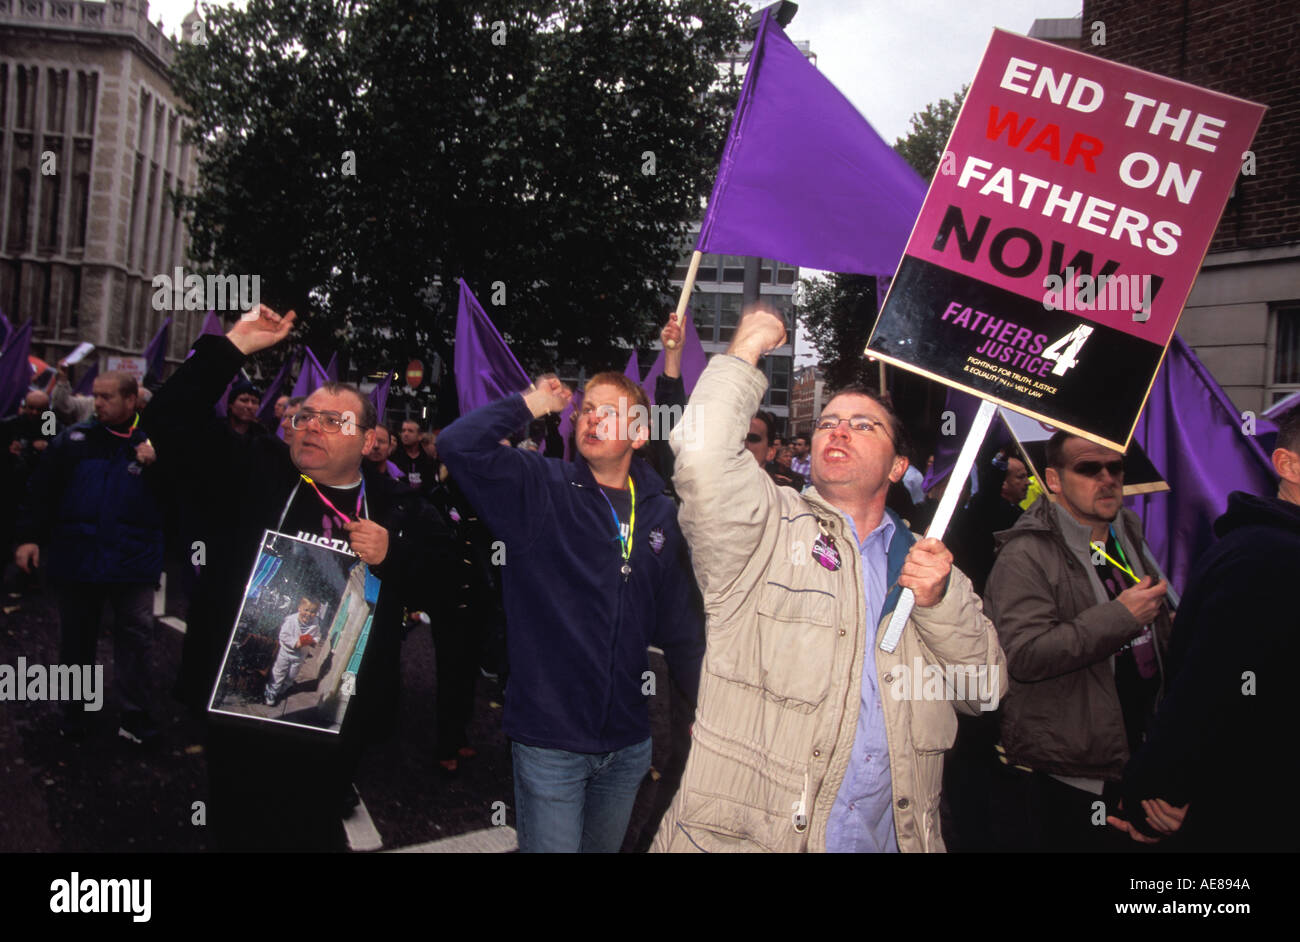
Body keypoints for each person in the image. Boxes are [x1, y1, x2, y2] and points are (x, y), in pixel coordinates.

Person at [653, 309, 1004, 853]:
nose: (839, 429)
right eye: (827, 422)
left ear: (897, 466)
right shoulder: (765, 528)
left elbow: (983, 693)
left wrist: (936, 605)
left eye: (865, 425)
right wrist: (746, 349)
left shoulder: (931, 567)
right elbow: (700, 457)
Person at [141, 305, 454, 850]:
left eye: (334, 421)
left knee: (310, 830)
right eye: (305, 416)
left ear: (368, 440)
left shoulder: (398, 506)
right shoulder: (252, 472)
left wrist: (392, 555)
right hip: (242, 701)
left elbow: (447, 585)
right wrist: (233, 345)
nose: (312, 426)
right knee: (238, 831)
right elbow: (168, 419)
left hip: (332, 714)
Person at [438, 367, 704, 853]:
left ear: (640, 435)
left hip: (627, 746)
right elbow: (458, 445)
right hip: (550, 741)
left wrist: (701, 705)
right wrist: (530, 403)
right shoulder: (539, 485)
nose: (592, 419)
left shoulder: (661, 513)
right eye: (586, 410)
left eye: (610, 412)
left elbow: (680, 628)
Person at [1109, 406, 1300, 851]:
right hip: (1250, 812)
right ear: (1288, 466)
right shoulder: (1269, 556)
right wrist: (1159, 789)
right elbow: (1213, 685)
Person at [984, 430, 1171, 852]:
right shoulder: (1026, 554)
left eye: (1115, 467)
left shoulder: (1124, 532)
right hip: (1070, 772)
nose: (1106, 478)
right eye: (1088, 468)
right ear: (1054, 479)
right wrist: (1121, 617)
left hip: (1133, 751)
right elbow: (1024, 656)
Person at [13, 372, 164, 743]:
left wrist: (159, 465)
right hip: (79, 556)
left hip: (134, 561)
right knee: (77, 639)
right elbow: (42, 490)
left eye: (107, 397)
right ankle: (74, 713)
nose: (98, 403)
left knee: (136, 639)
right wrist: (29, 538)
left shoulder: (155, 443)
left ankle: (135, 716)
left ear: (132, 401)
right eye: (96, 396)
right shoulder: (74, 439)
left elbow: (180, 496)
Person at [264, 597, 323, 705]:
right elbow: (283, 635)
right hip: (286, 653)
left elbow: (317, 636)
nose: (309, 614)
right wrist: (295, 643)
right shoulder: (291, 620)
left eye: (313, 612)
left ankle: (284, 688)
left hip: (300, 655)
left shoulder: (315, 624)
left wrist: (313, 641)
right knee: (279, 672)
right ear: (299, 608)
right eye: (306, 610)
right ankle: (272, 691)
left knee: (292, 675)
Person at [392, 419, 439, 490]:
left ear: (419, 436)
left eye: (410, 431)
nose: (405, 434)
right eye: (403, 430)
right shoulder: (394, 457)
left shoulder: (428, 459)